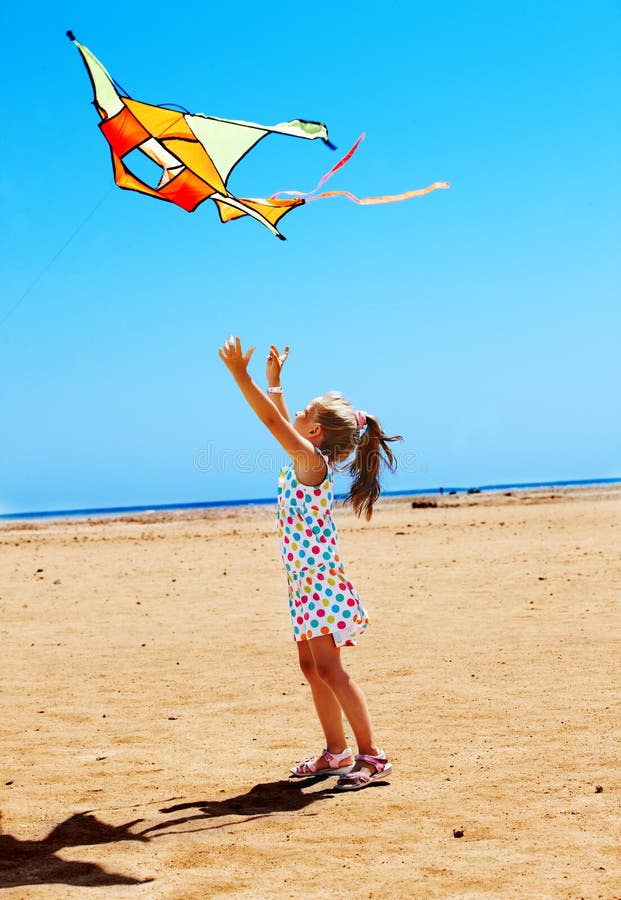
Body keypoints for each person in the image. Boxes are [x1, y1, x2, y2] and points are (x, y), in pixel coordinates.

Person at [218, 336, 401, 790]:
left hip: (320, 579)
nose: (298, 411)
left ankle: (371, 756)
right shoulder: (307, 454)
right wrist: (275, 381)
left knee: (330, 668)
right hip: (303, 580)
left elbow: (269, 420)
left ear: (315, 433)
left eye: (307, 409)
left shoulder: (310, 461)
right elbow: (281, 417)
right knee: (311, 667)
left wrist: (241, 376)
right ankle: (336, 753)